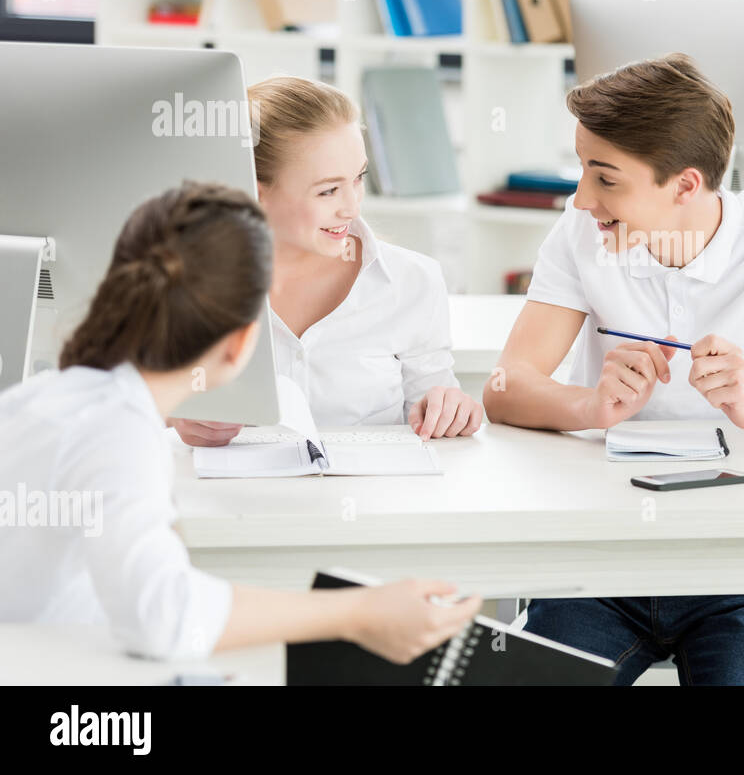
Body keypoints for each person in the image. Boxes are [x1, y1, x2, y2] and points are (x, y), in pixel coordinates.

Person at [484, 53, 744, 685]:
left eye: (605, 179)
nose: (580, 199)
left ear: (684, 185)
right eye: (581, 170)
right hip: (601, 556)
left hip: (740, 564)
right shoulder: (581, 238)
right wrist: (589, 406)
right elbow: (504, 388)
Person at [0, 182, 480, 661]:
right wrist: (358, 613)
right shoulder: (118, 432)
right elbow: (164, 620)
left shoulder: (58, 398)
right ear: (244, 342)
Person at [171, 76, 482, 446]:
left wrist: (450, 408)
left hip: (372, 500)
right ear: (255, 193)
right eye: (328, 190)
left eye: (359, 178)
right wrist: (175, 415)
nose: (352, 207)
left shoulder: (412, 280)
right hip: (239, 502)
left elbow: (434, 407)